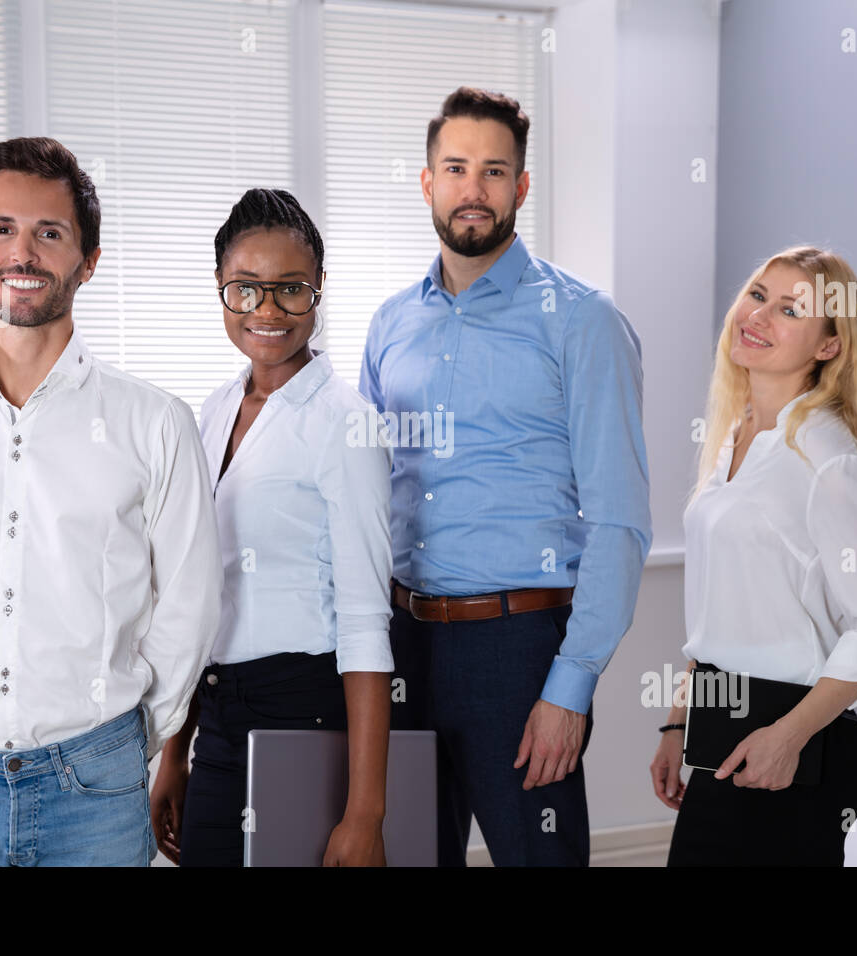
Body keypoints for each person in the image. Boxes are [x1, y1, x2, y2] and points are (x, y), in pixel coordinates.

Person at [0, 137, 223, 866]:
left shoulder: (154, 423)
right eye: (2, 229)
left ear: (86, 261)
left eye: (50, 233)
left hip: (93, 789)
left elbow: (189, 608)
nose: (22, 253)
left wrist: (128, 743)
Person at [359, 87, 652, 866]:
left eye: (495, 171)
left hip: (518, 650)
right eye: (456, 168)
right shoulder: (391, 325)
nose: (474, 189)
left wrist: (571, 686)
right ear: (427, 182)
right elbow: (361, 496)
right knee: (411, 858)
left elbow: (620, 522)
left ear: (522, 187)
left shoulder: (583, 322)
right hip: (402, 646)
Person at [150, 189, 394, 867]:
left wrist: (365, 814)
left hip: (304, 707)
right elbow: (200, 592)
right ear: (221, 291)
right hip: (220, 710)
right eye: (246, 289)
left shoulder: (345, 422)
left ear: (318, 291)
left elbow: (366, 621)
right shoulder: (216, 407)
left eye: (291, 289)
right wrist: (176, 752)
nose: (267, 310)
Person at [650, 245, 857, 866]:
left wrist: (787, 737)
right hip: (722, 727)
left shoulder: (828, 461)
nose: (759, 315)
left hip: (798, 747)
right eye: (759, 295)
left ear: (829, 345)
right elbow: (723, 614)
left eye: (791, 309)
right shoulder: (734, 439)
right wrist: (677, 724)